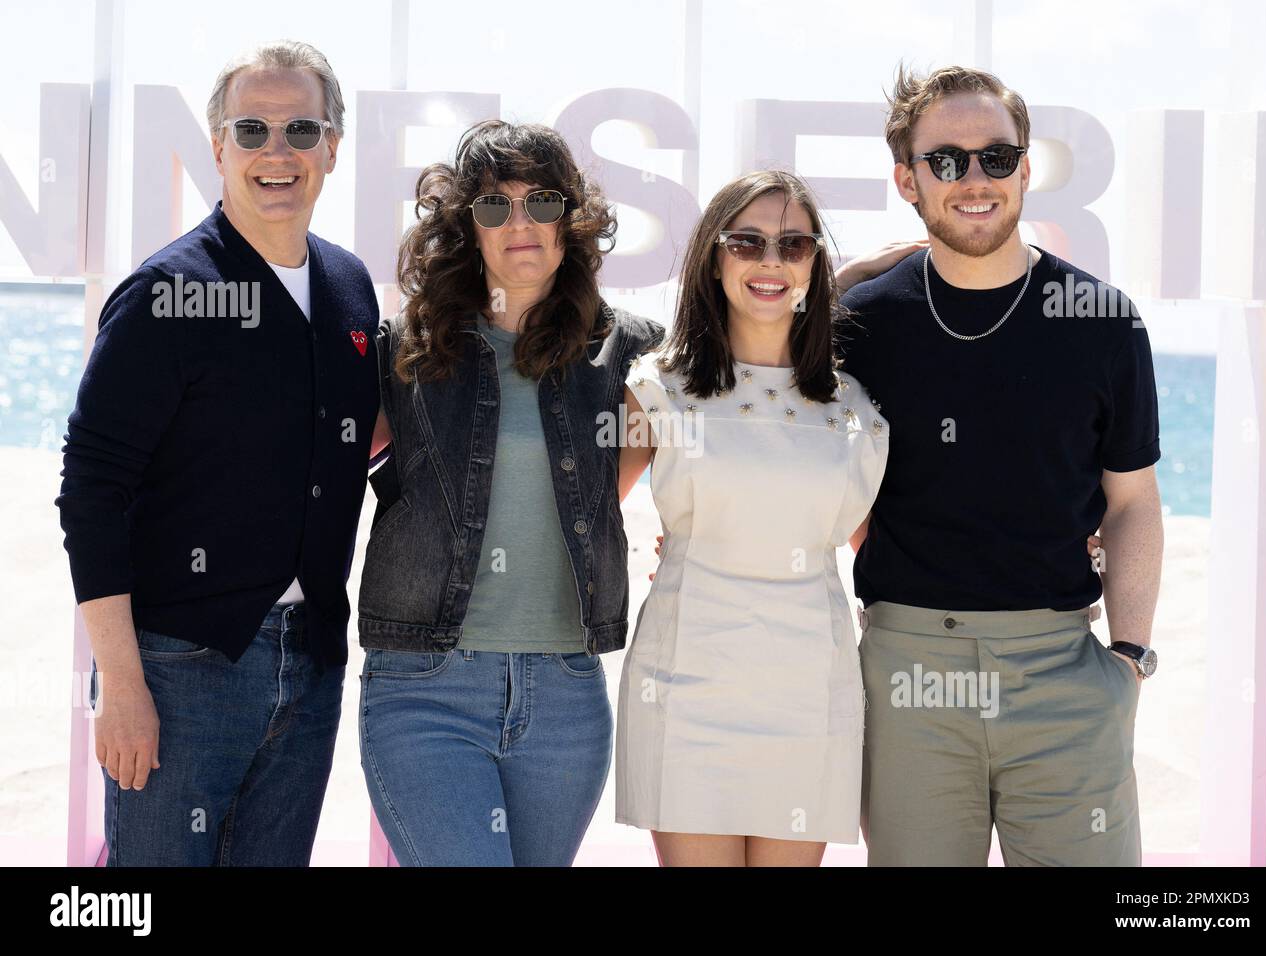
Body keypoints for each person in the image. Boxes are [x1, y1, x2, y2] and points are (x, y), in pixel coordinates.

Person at [55, 40, 383, 865]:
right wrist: (121, 687)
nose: (278, 151)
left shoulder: (349, 285)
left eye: (301, 129)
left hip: (310, 667)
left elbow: (360, 443)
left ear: (333, 148)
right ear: (218, 147)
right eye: (253, 129)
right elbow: (91, 489)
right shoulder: (168, 292)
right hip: (178, 670)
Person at [835, 64, 1163, 866]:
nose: (973, 179)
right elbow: (730, 382)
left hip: (1065, 674)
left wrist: (1128, 661)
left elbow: (1132, 503)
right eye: (945, 161)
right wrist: (828, 287)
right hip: (908, 679)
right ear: (907, 180)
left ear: (1024, 168)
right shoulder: (859, 326)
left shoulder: (1104, 322)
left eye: (996, 156)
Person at [358, 120, 664, 866]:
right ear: (470, 230)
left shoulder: (627, 350)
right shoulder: (406, 350)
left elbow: (756, 343)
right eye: (494, 207)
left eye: (543, 202)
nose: (520, 224)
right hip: (426, 689)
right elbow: (316, 469)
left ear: (573, 220)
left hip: (565, 694)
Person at [615, 170, 888, 866]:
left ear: (814, 263)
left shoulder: (852, 407)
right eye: (748, 242)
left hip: (809, 695)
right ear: (714, 255)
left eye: (793, 245)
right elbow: (580, 519)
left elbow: (887, 556)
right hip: (686, 692)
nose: (771, 262)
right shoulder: (657, 388)